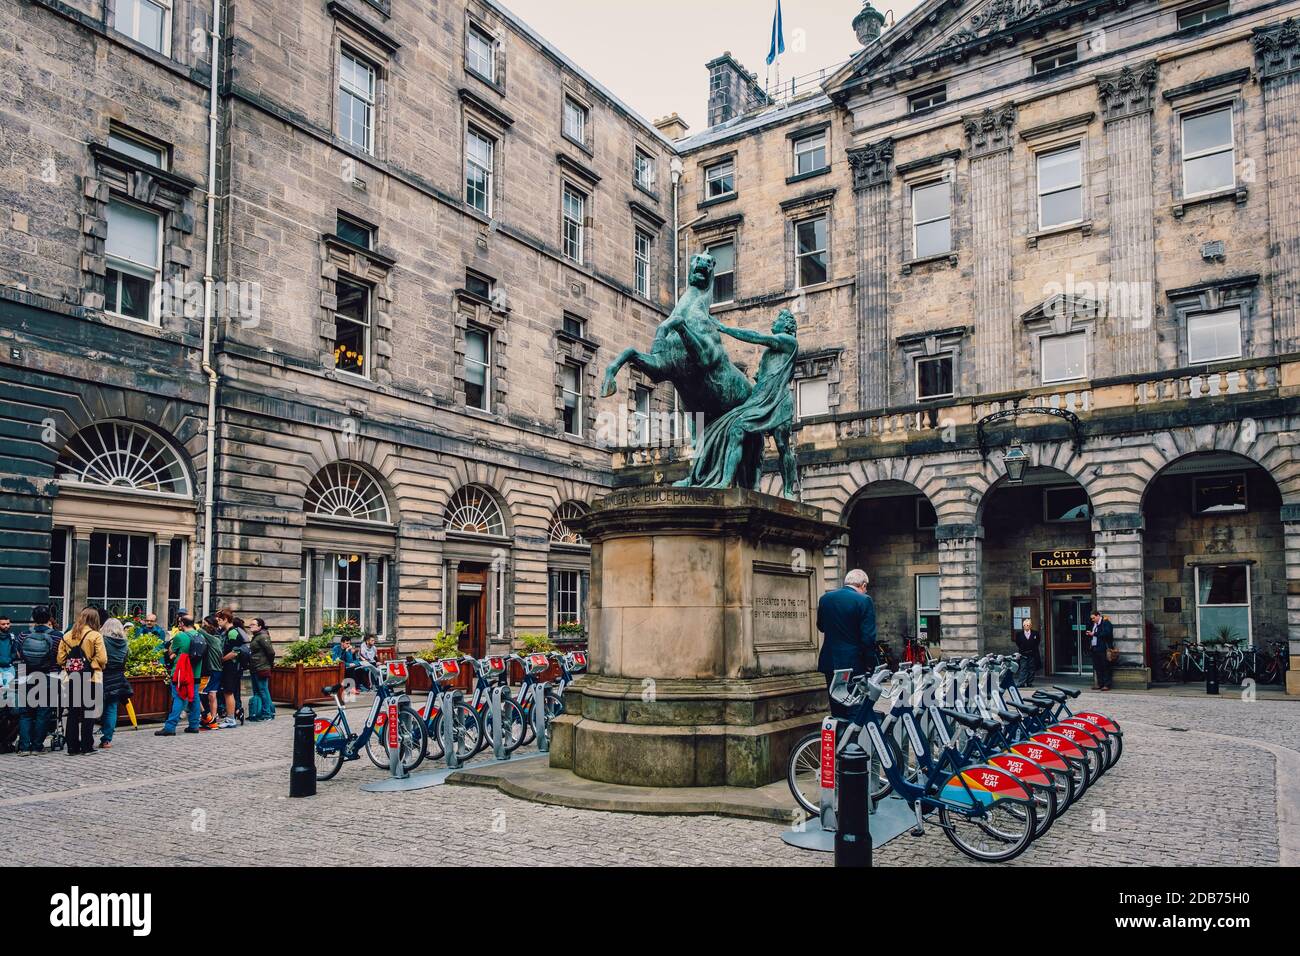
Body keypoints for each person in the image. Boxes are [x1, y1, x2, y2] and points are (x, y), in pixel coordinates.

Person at [816, 569, 878, 718]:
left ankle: (838, 739)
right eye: (866, 587)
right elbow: (868, 638)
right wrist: (871, 664)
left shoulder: (825, 599)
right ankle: (853, 740)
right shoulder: (864, 600)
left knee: (837, 708)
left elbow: (821, 626)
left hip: (830, 662)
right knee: (855, 707)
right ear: (863, 585)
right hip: (853, 664)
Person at [56, 607, 107, 756]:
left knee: (72, 712)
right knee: (88, 713)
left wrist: (72, 667)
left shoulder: (67, 636)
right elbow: (103, 658)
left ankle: (72, 746)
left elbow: (60, 659)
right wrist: (92, 665)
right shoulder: (95, 635)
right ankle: (87, 746)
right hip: (91, 678)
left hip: (71, 678)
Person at [16, 606, 58, 754]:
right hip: (48, 676)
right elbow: (59, 657)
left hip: (25, 676)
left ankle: (24, 747)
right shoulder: (57, 636)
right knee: (43, 712)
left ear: (33, 618)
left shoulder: (23, 635)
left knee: (25, 713)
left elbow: (19, 654)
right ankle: (37, 746)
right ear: (49, 618)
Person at [157, 613, 203, 735]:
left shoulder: (180, 636)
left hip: (181, 673)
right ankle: (194, 725)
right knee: (194, 698)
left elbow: (171, 651)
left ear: (182, 624)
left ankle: (170, 727)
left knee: (179, 698)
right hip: (196, 673)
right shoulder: (200, 636)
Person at [98, 617, 132, 749]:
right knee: (112, 708)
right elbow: (125, 660)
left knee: (96, 707)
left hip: (103, 675)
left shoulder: (103, 640)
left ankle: (88, 736)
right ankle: (107, 739)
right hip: (118, 676)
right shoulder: (124, 642)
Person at [246, 619, 276, 722]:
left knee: (263, 690)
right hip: (255, 667)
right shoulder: (257, 636)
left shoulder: (263, 636)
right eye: (251, 624)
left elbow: (271, 652)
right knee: (258, 691)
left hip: (261, 667)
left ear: (260, 627)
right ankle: (258, 712)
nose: (251, 626)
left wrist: (269, 664)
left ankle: (267, 713)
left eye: (253, 624)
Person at [200, 616, 225, 729]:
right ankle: (213, 719)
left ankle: (207, 717)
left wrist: (195, 626)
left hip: (213, 670)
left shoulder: (213, 639)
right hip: (217, 670)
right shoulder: (218, 637)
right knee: (212, 694)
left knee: (199, 693)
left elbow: (200, 631)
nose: (203, 626)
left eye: (205, 624)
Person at [0, 614, 17, 753]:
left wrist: (10, 659)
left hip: (9, 668)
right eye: (3, 624)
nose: (6, 626)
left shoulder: (12, 637)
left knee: (9, 702)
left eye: (7, 623)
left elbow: (14, 651)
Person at [1087, 610, 1115, 691]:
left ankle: (1107, 685)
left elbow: (1107, 633)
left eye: (1093, 618)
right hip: (1095, 648)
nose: (1093, 620)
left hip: (1103, 648)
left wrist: (1094, 634)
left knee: (1105, 666)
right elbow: (1094, 634)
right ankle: (1100, 684)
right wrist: (1089, 634)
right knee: (1097, 667)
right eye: (1092, 618)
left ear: (1098, 615)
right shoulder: (1094, 624)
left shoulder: (1106, 623)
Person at [1014, 619, 1042, 687]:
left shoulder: (1035, 633)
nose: (1026, 626)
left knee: (1031, 668)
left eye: (1028, 625)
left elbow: (1037, 642)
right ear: (1023, 626)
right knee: (1023, 668)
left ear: (1030, 626)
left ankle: (1029, 682)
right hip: (1023, 653)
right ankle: (1021, 683)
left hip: (1032, 653)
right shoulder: (1019, 634)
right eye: (1025, 625)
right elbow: (1018, 643)